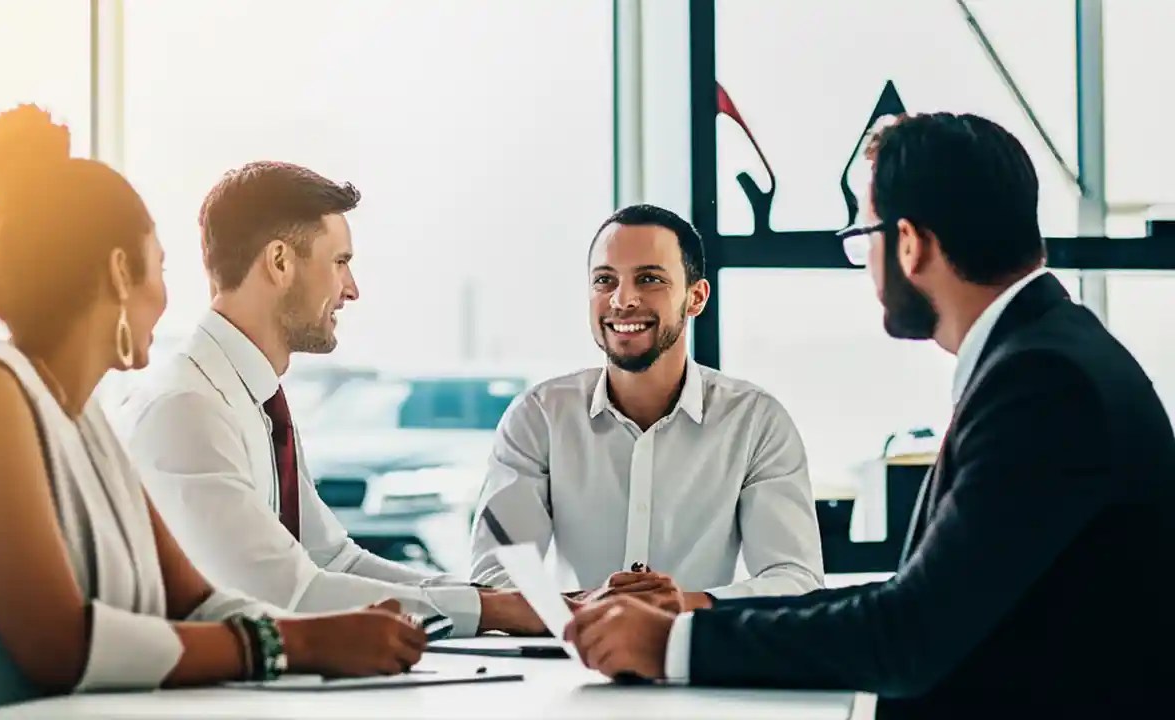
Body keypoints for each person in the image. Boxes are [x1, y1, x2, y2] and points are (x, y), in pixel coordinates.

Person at [564, 113, 1175, 716]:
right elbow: (916, 597)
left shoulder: (1044, 384)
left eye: (863, 241)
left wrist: (672, 646)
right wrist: (697, 614)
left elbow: (907, 634)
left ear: (910, 244)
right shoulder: (1048, 353)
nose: (865, 268)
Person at [0, 107, 427, 720]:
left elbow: (197, 602)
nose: (169, 296)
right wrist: (298, 642)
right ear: (122, 272)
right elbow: (60, 646)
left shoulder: (83, 419)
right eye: (162, 265)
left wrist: (346, 634)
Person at [118, 161, 543, 637]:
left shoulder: (254, 398)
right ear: (280, 262)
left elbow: (332, 558)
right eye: (340, 262)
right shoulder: (187, 408)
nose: (351, 289)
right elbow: (287, 594)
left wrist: (502, 602)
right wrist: (500, 612)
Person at [469, 204, 824, 611]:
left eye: (649, 279)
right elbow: (493, 581)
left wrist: (681, 605)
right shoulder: (539, 417)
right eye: (605, 280)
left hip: (701, 662)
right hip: (566, 663)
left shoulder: (756, 421)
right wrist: (589, 608)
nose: (622, 300)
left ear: (696, 297)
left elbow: (796, 581)